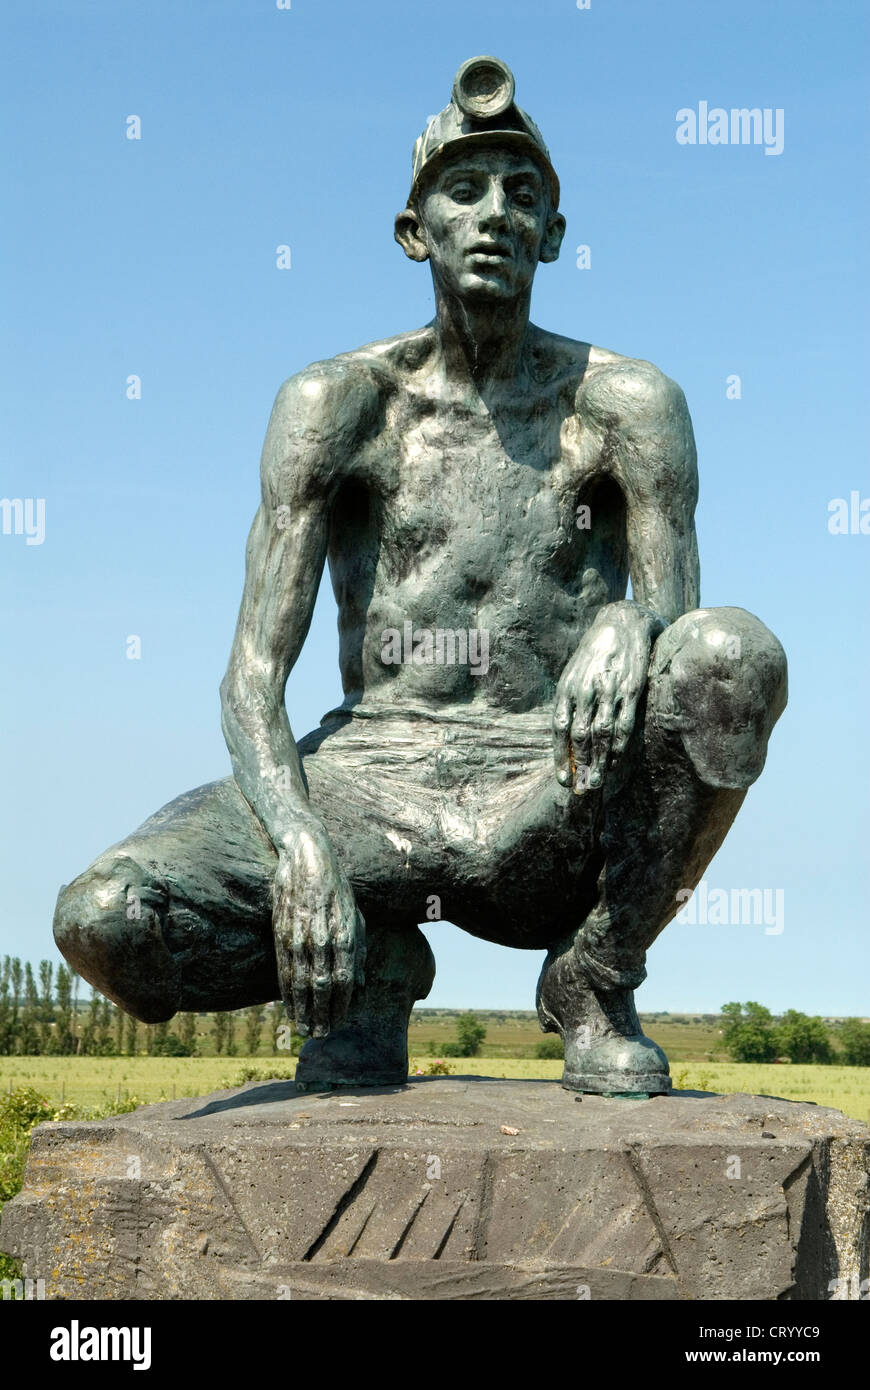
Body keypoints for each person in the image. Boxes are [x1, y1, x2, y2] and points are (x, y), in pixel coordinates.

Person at [54, 58, 787, 1095]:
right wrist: (301, 843)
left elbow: (676, 608)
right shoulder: (338, 402)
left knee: (731, 653)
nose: (495, 214)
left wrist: (637, 617)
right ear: (416, 231)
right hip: (368, 787)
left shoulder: (630, 402)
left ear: (556, 236)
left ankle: (596, 976)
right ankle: (375, 973)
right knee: (103, 920)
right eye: (465, 189)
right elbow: (251, 678)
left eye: (522, 195)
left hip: (548, 790)